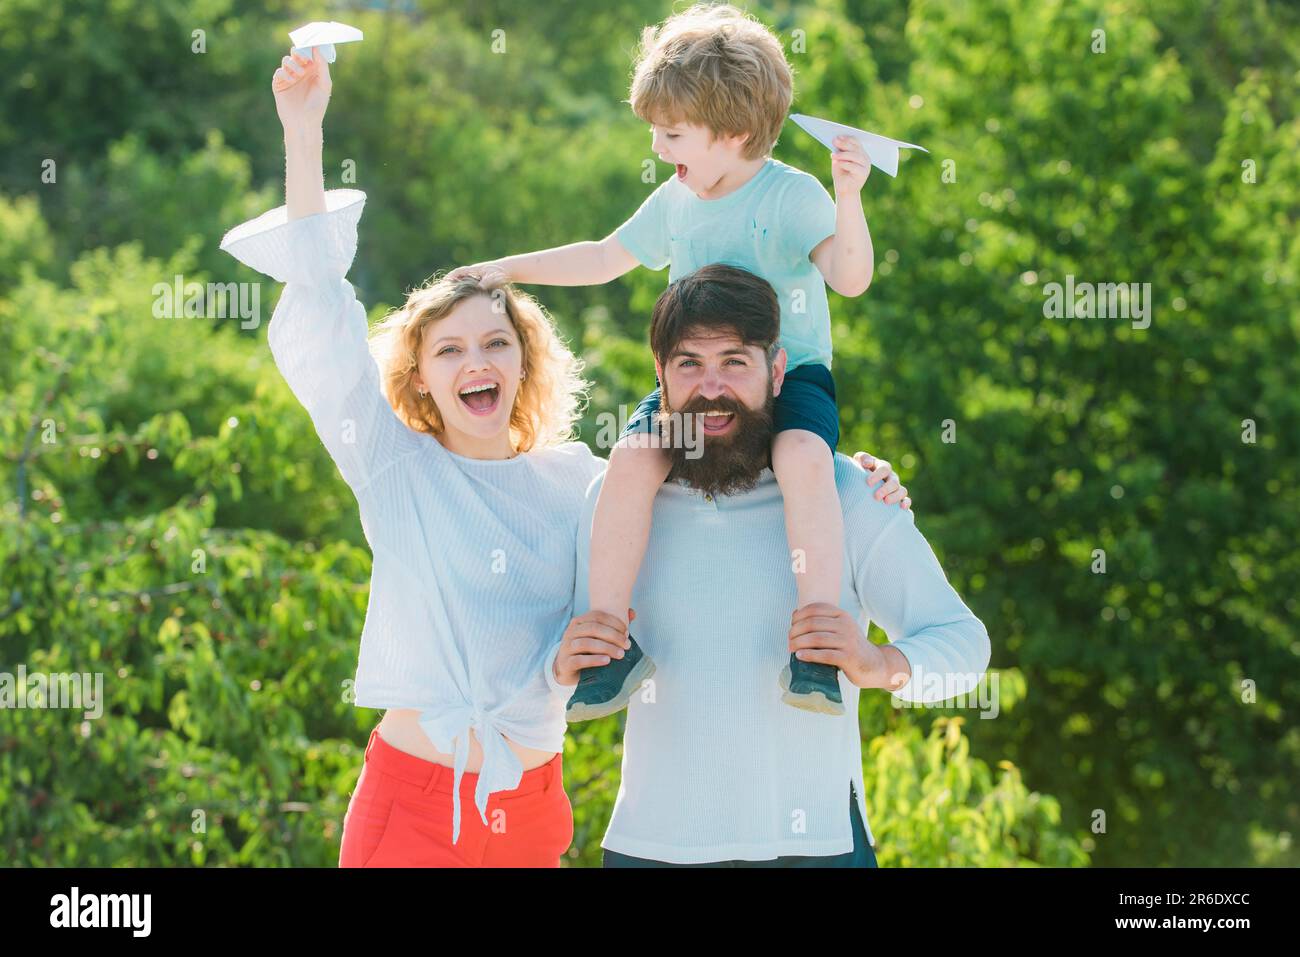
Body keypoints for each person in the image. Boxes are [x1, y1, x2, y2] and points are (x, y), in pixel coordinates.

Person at [217, 45, 912, 867]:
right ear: (416, 375)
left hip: (535, 806)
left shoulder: (583, 482)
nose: (476, 362)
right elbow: (324, 312)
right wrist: (304, 132)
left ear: (526, 358)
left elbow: (731, 499)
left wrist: (854, 476)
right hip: (414, 804)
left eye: (495, 341)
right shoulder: (393, 465)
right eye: (448, 351)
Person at [450, 3, 886, 721]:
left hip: (788, 379)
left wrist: (849, 197)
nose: (658, 145)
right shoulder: (677, 199)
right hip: (694, 394)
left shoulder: (792, 194)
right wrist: (501, 269)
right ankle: (611, 641)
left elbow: (851, 275)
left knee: (806, 457)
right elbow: (601, 257)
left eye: (673, 133)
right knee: (629, 461)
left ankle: (816, 644)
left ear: (736, 133)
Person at [546, 264, 991, 866]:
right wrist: (561, 661)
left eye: (734, 361)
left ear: (776, 371)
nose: (711, 387)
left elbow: (964, 648)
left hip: (818, 844)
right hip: (652, 847)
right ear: (660, 376)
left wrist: (879, 662)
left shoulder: (848, 493)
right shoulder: (614, 502)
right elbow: (537, 666)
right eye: (688, 364)